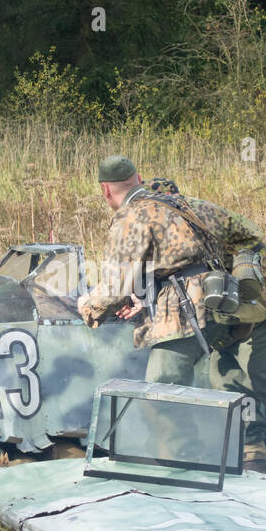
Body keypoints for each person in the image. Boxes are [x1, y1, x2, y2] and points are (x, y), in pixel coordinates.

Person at [144, 178, 266, 477]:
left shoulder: (202, 223)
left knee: (263, 369)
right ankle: (252, 452)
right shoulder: (167, 242)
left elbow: (249, 243)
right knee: (224, 373)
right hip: (233, 309)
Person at [77, 156, 222, 385]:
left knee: (160, 395)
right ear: (140, 179)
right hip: (220, 297)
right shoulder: (179, 204)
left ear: (105, 189)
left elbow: (115, 288)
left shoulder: (132, 214)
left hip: (184, 311)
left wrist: (88, 307)